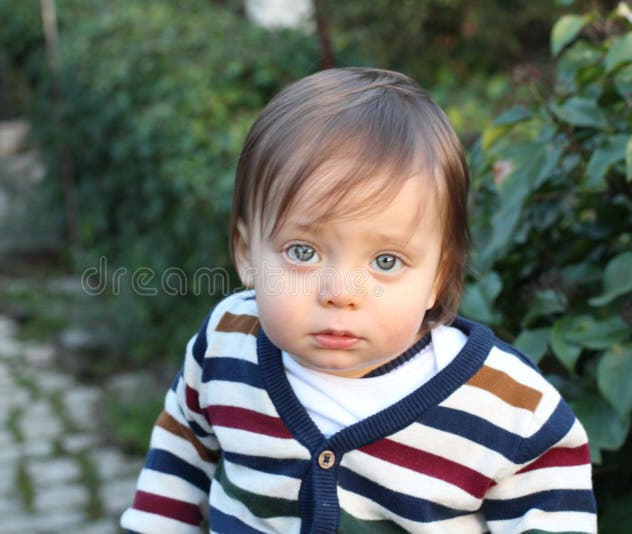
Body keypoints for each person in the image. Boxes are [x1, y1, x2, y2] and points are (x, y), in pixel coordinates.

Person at [120, 68, 597, 533]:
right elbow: (182, 440)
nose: (340, 294)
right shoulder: (227, 343)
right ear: (248, 255)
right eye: (302, 252)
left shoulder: (507, 405)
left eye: (386, 261)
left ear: (439, 275)